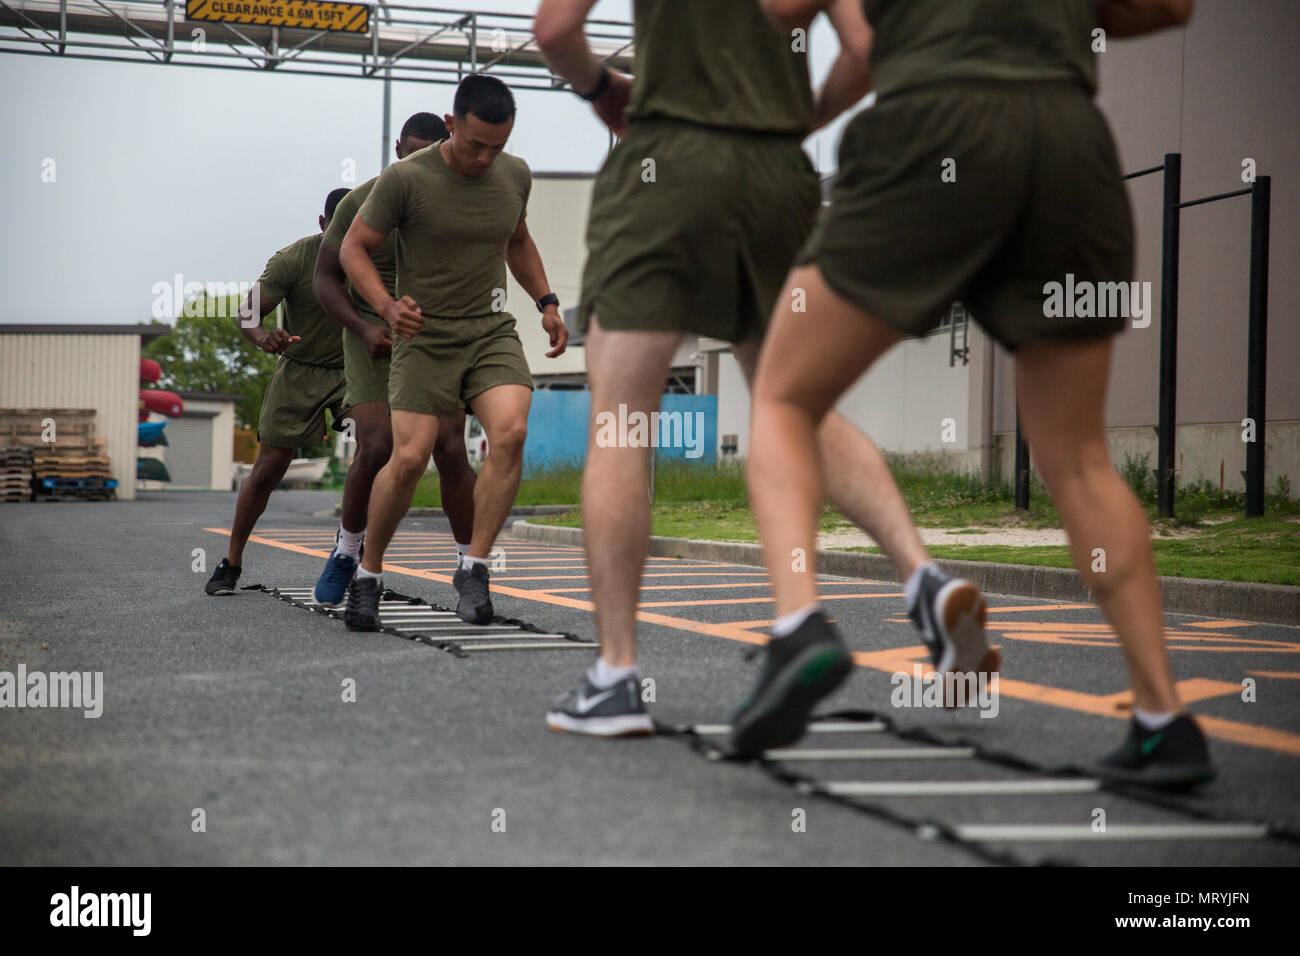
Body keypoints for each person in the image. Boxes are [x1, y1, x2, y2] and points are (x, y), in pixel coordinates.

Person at [748, 0, 1209, 787]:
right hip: (1071, 140)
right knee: (1081, 459)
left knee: (786, 397)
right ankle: (1164, 720)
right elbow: (1169, 7)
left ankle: (798, 625)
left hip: (936, 120)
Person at [534, 0, 995, 741]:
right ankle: (923, 579)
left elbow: (555, 30)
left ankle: (616, 676)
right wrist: (790, 123)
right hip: (780, 178)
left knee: (621, 421)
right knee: (796, 403)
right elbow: (864, 50)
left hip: (667, 161)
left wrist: (598, 89)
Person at [338, 74, 569, 630]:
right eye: (475, 145)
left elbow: (517, 239)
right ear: (451, 125)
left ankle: (474, 566)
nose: (485, 158)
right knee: (411, 457)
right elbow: (353, 249)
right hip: (426, 336)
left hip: (489, 330)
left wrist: (547, 301)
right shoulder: (405, 180)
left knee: (511, 432)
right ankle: (367, 574)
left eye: (498, 146)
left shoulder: (514, 175)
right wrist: (389, 308)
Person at [311, 112, 480, 605]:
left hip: (434, 340)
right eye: (414, 152)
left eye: (434, 151)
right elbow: (326, 277)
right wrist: (363, 326)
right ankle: (347, 550)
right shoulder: (365, 200)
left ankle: (470, 564)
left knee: (450, 446)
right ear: (400, 152)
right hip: (372, 336)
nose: (423, 160)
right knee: (378, 443)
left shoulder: (461, 198)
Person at [206, 188, 352, 596]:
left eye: (356, 225)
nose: (348, 236)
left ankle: (351, 553)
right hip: (301, 369)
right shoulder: (295, 258)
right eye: (339, 228)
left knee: (376, 445)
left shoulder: (377, 255)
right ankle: (231, 561)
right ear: (323, 225)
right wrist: (263, 337)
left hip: (355, 370)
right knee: (268, 469)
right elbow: (249, 313)